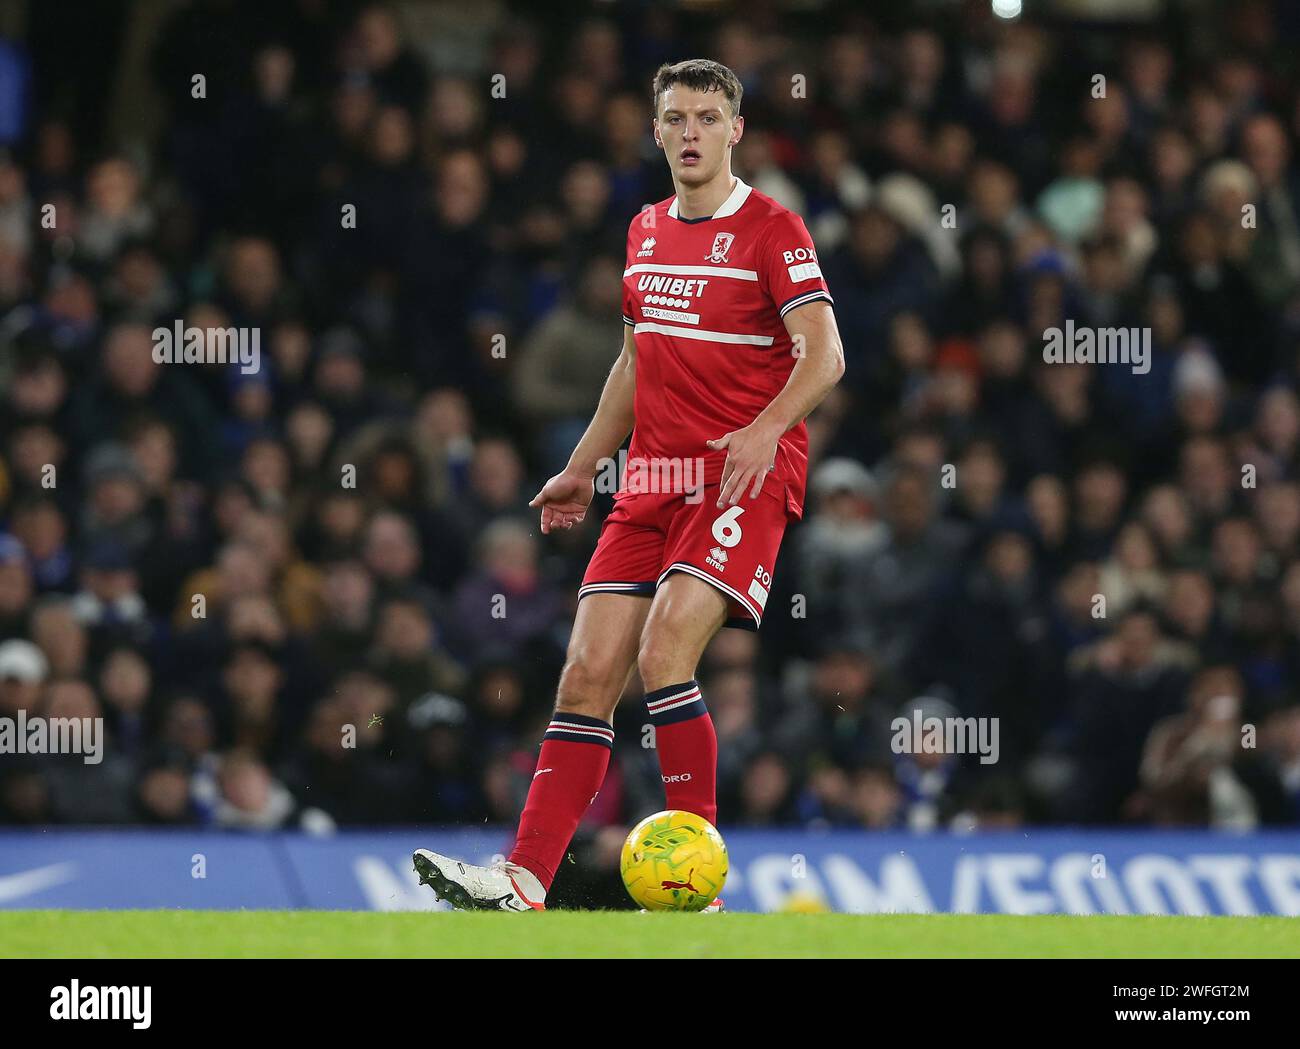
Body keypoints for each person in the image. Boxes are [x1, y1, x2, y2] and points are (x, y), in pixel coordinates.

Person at [412, 58, 844, 910]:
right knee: (586, 672)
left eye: (708, 118)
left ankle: (701, 888)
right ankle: (524, 880)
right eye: (676, 118)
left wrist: (764, 429)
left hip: (738, 478)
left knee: (663, 654)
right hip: (649, 479)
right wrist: (580, 465)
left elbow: (825, 354)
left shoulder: (774, 229)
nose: (691, 133)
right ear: (655, 132)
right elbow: (633, 362)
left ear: (736, 131)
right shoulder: (643, 230)